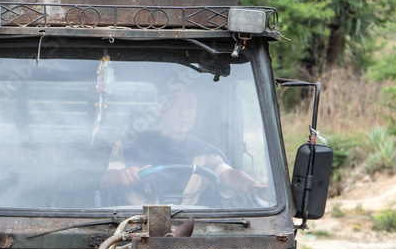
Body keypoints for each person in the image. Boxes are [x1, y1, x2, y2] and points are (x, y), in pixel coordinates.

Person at [100, 86, 269, 206]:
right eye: (178, 106)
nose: (186, 113)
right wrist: (122, 175)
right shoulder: (130, 145)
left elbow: (229, 175)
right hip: (133, 228)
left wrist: (252, 186)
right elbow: (106, 181)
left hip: (189, 231)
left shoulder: (203, 153)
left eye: (190, 107)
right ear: (161, 109)